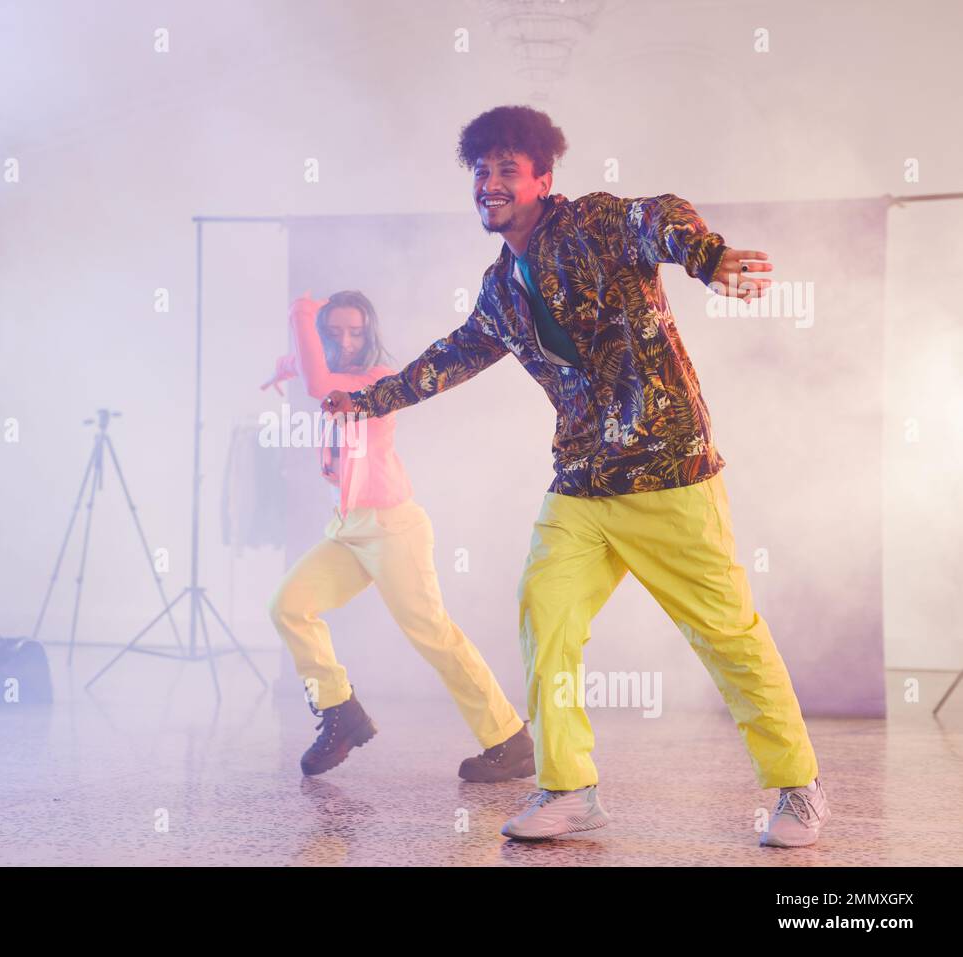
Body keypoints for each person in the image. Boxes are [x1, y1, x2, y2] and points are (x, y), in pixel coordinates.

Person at [321, 106, 829, 848]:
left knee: (726, 632)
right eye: (480, 172)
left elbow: (660, 216)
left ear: (541, 178)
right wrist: (365, 399)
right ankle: (569, 788)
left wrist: (708, 257)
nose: (489, 185)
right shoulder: (502, 288)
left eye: (505, 170)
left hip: (666, 467)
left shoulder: (592, 222)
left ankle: (799, 787)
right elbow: (449, 357)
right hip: (583, 481)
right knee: (544, 609)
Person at [263, 289, 533, 781]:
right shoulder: (324, 369)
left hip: (392, 527)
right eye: (334, 331)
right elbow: (305, 368)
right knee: (288, 605)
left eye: (356, 331)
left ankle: (510, 739)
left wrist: (301, 312)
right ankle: (341, 712)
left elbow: (319, 379)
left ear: (370, 334)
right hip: (347, 530)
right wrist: (285, 367)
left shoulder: (376, 381)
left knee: (432, 634)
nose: (346, 340)